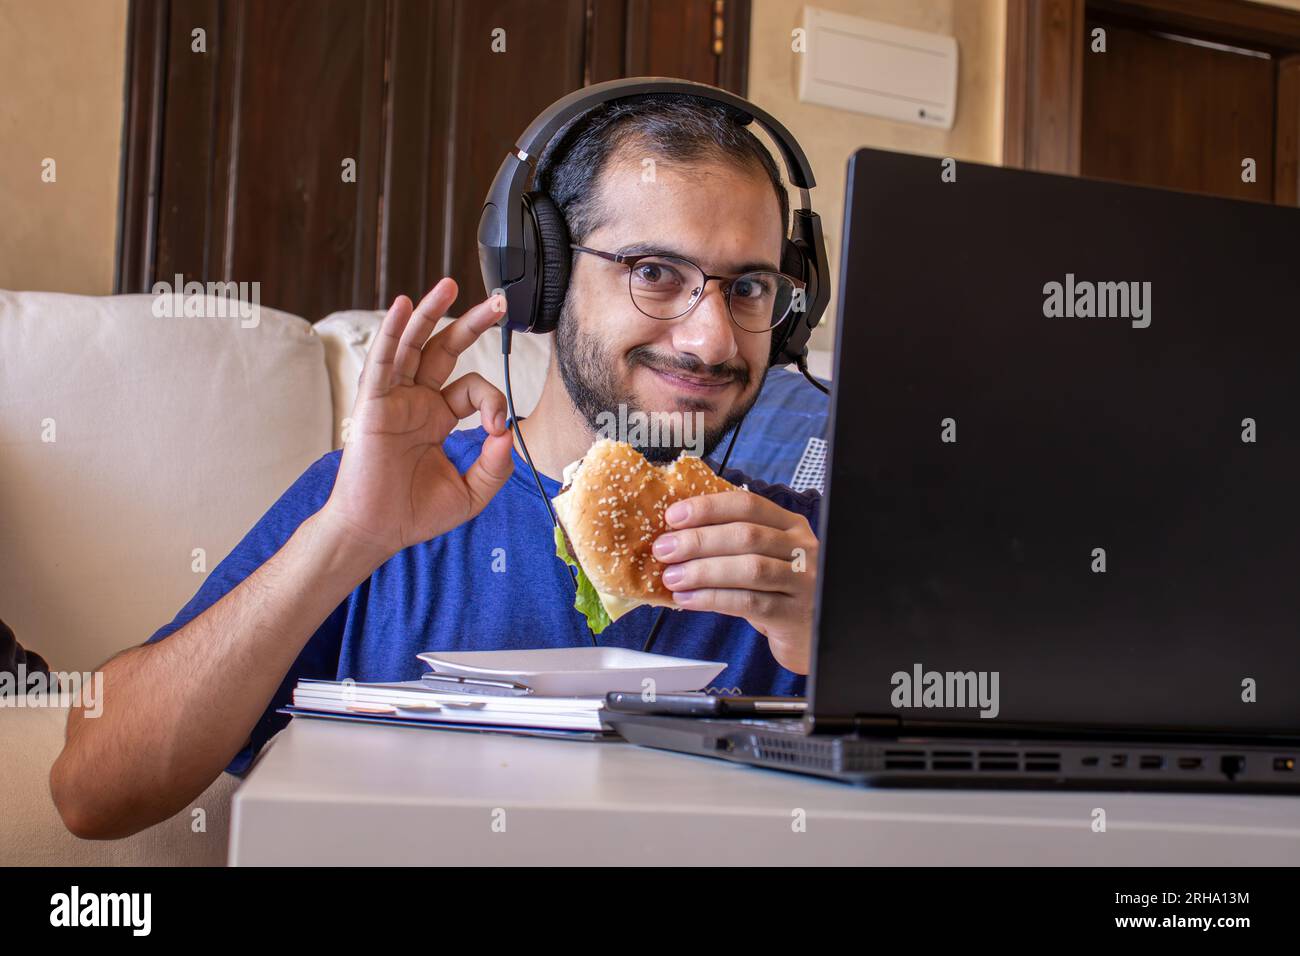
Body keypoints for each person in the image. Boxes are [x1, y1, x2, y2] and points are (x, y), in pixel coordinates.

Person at [51, 94, 821, 839]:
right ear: (540, 279)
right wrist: (346, 537)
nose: (713, 339)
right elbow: (93, 795)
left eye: (748, 287)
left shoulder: (812, 553)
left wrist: (824, 646)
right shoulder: (365, 502)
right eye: (655, 272)